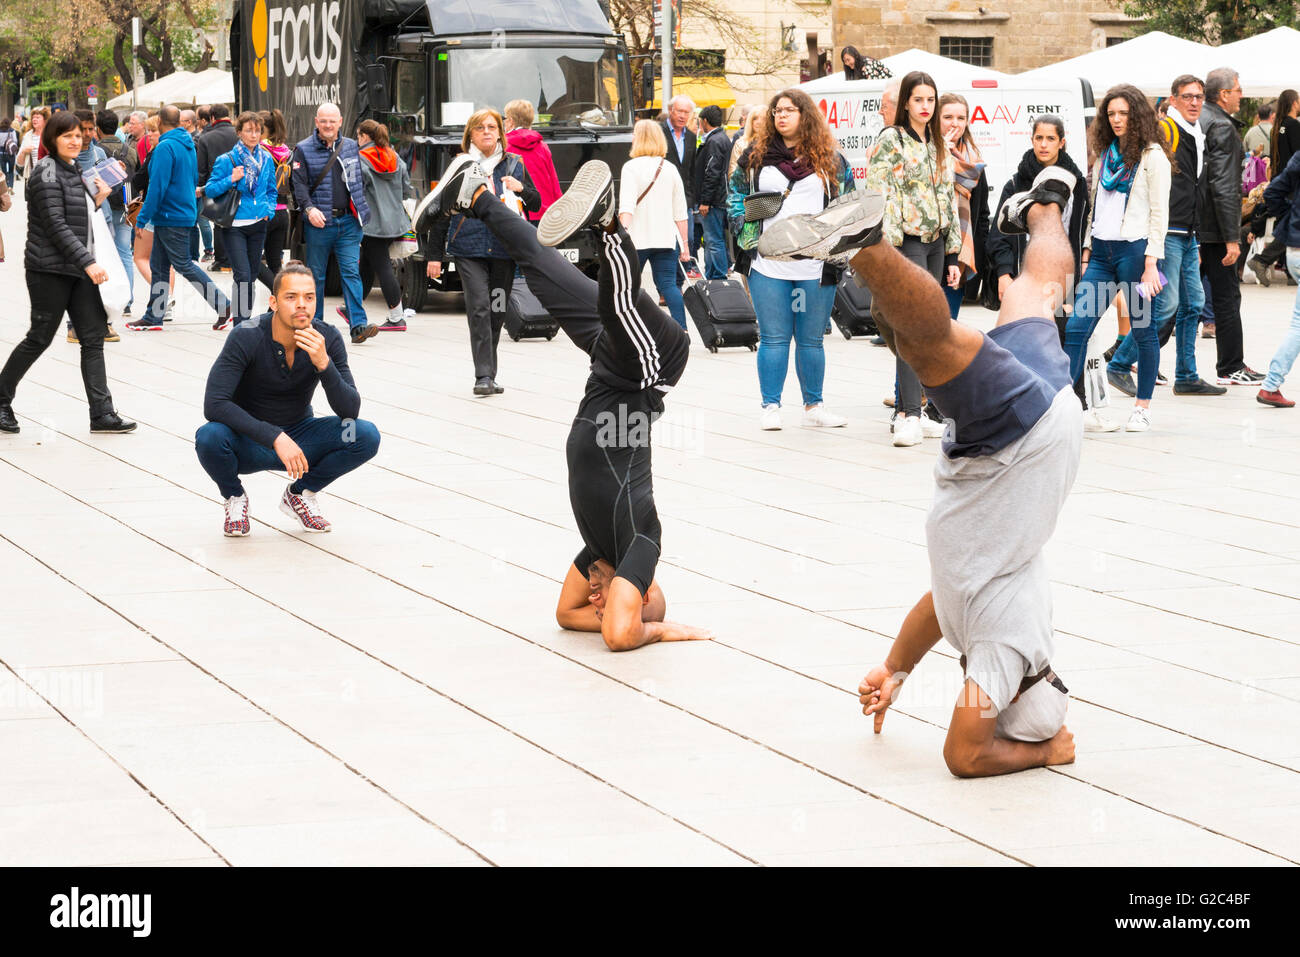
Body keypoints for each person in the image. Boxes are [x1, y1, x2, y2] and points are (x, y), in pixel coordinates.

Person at [755, 166, 1083, 776]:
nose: (973, 697)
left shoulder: (989, 611)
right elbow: (964, 755)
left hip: (1040, 429)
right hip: (1012, 440)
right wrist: (1043, 751)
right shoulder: (1005, 650)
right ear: (1012, 694)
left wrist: (894, 670)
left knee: (1032, 293)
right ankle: (866, 244)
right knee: (928, 347)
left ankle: (1048, 201)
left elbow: (939, 606)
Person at [421, 155, 709, 649]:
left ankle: (475, 196)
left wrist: (601, 610)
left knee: (541, 264)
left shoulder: (597, 550)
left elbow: (563, 615)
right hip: (648, 368)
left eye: (597, 601)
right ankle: (607, 227)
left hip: (611, 361)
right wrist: (657, 629)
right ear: (635, 592)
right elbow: (620, 638)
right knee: (620, 304)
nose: (593, 599)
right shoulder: (639, 545)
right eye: (610, 598)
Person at [195, 263, 381, 536]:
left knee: (363, 434)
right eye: (291, 297)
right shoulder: (246, 334)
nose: (301, 305)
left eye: (309, 297)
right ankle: (235, 497)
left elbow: (349, 409)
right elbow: (214, 403)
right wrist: (275, 437)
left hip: (301, 441)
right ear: (273, 302)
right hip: (248, 441)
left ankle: (300, 494)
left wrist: (324, 364)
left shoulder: (327, 337)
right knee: (209, 436)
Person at [0, 111, 136, 436]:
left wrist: (99, 197)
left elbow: (78, 215)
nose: (76, 141)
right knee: (39, 338)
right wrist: (88, 262)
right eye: (67, 136)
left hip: (76, 268)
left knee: (93, 337)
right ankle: (1, 400)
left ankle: (102, 414)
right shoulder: (46, 173)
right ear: (52, 140)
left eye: (79, 135)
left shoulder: (73, 169)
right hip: (49, 270)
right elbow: (56, 225)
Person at [728, 88, 853, 432]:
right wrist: (743, 229)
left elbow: (847, 204)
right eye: (777, 111)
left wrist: (839, 246)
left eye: (789, 110)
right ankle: (771, 406)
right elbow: (735, 195)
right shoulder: (755, 156)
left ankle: (814, 406)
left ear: (805, 115)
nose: (781, 116)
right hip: (769, 263)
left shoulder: (831, 159)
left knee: (811, 338)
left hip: (815, 264)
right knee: (774, 337)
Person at [1062, 84, 1171, 433]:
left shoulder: (1152, 156)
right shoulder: (1107, 152)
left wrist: (1152, 262)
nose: (1117, 119)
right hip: (1102, 255)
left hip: (1136, 254)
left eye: (1124, 113)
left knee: (1143, 329)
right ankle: (1064, 404)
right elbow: (1097, 206)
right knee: (1078, 326)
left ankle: (1142, 407)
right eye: (1111, 113)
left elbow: (1159, 213)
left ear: (1137, 115)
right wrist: (1087, 249)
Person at [1110, 76, 1225, 398]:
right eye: (1187, 96)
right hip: (1167, 232)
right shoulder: (1167, 131)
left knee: (1194, 304)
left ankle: (1186, 375)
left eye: (1199, 97)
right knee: (1165, 305)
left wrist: (1197, 235)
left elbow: (1194, 187)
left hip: (1188, 233)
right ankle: (1119, 364)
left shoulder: (1195, 134)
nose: (1194, 102)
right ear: (1172, 100)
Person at [866, 71, 961, 447]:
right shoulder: (892, 139)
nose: (925, 107)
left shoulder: (937, 141)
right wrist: (888, 247)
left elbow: (948, 197)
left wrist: (953, 251)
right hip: (907, 241)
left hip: (936, 242)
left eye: (930, 100)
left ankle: (920, 410)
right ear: (906, 102)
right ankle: (908, 414)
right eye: (918, 100)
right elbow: (879, 192)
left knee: (928, 330)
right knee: (909, 325)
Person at [424, 109, 540, 394]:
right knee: (479, 307)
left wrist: (521, 188)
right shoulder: (460, 166)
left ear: (500, 132)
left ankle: (490, 373)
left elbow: (536, 203)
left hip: (503, 249)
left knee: (497, 311)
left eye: (492, 127)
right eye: (480, 128)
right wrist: (434, 255)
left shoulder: (514, 164)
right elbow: (441, 211)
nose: (487, 131)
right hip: (469, 247)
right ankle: (483, 377)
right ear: (471, 134)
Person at [127, 106, 233, 331]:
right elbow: (191, 178)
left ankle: (223, 305)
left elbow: (157, 186)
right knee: (159, 266)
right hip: (180, 212)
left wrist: (142, 218)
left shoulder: (166, 147)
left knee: (183, 264)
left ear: (162, 121)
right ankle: (153, 315)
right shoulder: (187, 144)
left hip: (169, 214)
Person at [291, 102, 378, 344]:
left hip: (349, 223)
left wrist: (361, 211)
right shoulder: (302, 149)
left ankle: (358, 325)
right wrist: (309, 210)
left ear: (340, 121)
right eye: (324, 121)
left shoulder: (350, 146)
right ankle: (314, 326)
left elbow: (358, 181)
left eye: (333, 120)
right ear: (316, 122)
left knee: (351, 272)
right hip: (319, 225)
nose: (328, 125)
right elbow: (298, 186)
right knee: (316, 276)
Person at [987, 115, 1089, 320]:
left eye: (1050, 139)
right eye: (1039, 138)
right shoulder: (1016, 184)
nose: (1044, 144)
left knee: (1061, 337)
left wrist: (1084, 264)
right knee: (1024, 334)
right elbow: (999, 233)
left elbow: (1084, 228)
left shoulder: (1076, 183)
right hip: (1024, 274)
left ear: (1061, 142)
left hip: (1063, 274)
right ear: (1031, 140)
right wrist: (1004, 273)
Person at [1199, 68, 1264, 386]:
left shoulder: (1200, 119)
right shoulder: (1222, 126)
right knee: (1226, 297)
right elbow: (1225, 186)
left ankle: (1125, 356)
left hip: (1196, 223)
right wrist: (1231, 237)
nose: (1242, 94)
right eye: (1238, 89)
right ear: (1224, 94)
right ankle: (1231, 366)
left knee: (1177, 298)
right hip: (1213, 228)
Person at [204, 111, 278, 328]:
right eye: (249, 130)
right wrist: (231, 178)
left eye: (257, 130)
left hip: (258, 223)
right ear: (239, 133)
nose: (254, 135)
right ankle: (241, 325)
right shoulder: (227, 160)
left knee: (252, 276)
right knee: (243, 276)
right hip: (234, 225)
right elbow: (210, 189)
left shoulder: (266, 159)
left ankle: (244, 321)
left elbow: (272, 190)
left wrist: (268, 211)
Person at [618, 119, 689, 329]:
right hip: (666, 238)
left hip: (636, 240)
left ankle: (628, 328)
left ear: (637, 139)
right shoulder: (670, 168)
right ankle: (681, 329)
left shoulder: (630, 167)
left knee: (629, 286)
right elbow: (680, 211)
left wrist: (621, 235)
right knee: (668, 285)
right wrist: (685, 245)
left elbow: (627, 207)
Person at [936, 93, 989, 319]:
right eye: (948, 117)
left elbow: (982, 212)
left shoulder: (974, 162)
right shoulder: (926, 154)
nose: (954, 123)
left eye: (961, 117)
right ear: (936, 119)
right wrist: (941, 155)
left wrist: (980, 255)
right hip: (930, 249)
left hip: (959, 253)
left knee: (949, 323)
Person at [1255, 150, 1300, 407]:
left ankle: (1271, 385)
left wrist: (1291, 218)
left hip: (1293, 250)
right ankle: (1270, 384)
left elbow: (1271, 192)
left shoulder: (1297, 158)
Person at [1247, 90, 1300, 286]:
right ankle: (1264, 261)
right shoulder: (1293, 125)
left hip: (1281, 179)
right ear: (1294, 103)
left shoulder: (1277, 126)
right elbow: (1298, 154)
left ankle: (1272, 264)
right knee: (1289, 222)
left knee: (1286, 222)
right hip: (1292, 182)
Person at [96, 111, 137, 322]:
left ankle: (109, 296)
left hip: (104, 205)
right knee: (125, 253)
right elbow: (136, 175)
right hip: (125, 205)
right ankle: (128, 301)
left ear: (98, 129)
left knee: (105, 253)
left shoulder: (97, 151)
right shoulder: (129, 151)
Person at [503, 99, 561, 222]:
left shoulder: (505, 146)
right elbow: (553, 181)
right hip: (546, 213)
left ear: (511, 122)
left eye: (506, 119)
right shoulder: (542, 145)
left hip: (519, 211)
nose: (504, 123)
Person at [197, 103, 237, 273]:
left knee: (220, 222)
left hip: (216, 186)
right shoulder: (239, 134)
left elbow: (202, 169)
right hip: (239, 183)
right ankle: (235, 258)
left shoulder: (206, 138)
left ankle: (222, 260)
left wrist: (202, 188)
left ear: (212, 118)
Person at [694, 104, 732, 280]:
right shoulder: (722, 138)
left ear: (705, 121)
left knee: (713, 240)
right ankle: (713, 274)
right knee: (714, 240)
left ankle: (716, 276)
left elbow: (712, 172)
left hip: (715, 200)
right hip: (720, 198)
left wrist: (705, 201)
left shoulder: (714, 141)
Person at [256, 109, 292, 294]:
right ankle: (277, 307)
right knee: (275, 263)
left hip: (264, 211)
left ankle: (280, 292)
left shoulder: (260, 150)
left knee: (252, 261)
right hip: (282, 212)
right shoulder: (286, 150)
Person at [661, 95, 698, 266]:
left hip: (684, 199)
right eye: (680, 111)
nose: (683, 116)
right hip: (662, 198)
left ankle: (679, 281)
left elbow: (691, 170)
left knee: (687, 240)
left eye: (687, 112)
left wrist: (691, 199)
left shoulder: (690, 137)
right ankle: (668, 284)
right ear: (670, 111)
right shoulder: (659, 133)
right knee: (666, 243)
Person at [15, 107, 48, 181]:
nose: (34, 119)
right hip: (32, 179)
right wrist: (24, 152)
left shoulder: (50, 135)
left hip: (49, 178)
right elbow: (19, 164)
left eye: (37, 117)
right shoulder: (28, 136)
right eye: (33, 117)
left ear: (45, 120)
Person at [0, 118, 16, 186]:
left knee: (3, 171)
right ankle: (10, 186)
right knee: (11, 170)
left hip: (1, 153)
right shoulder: (12, 130)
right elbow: (15, 141)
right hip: (10, 153)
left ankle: (6, 185)